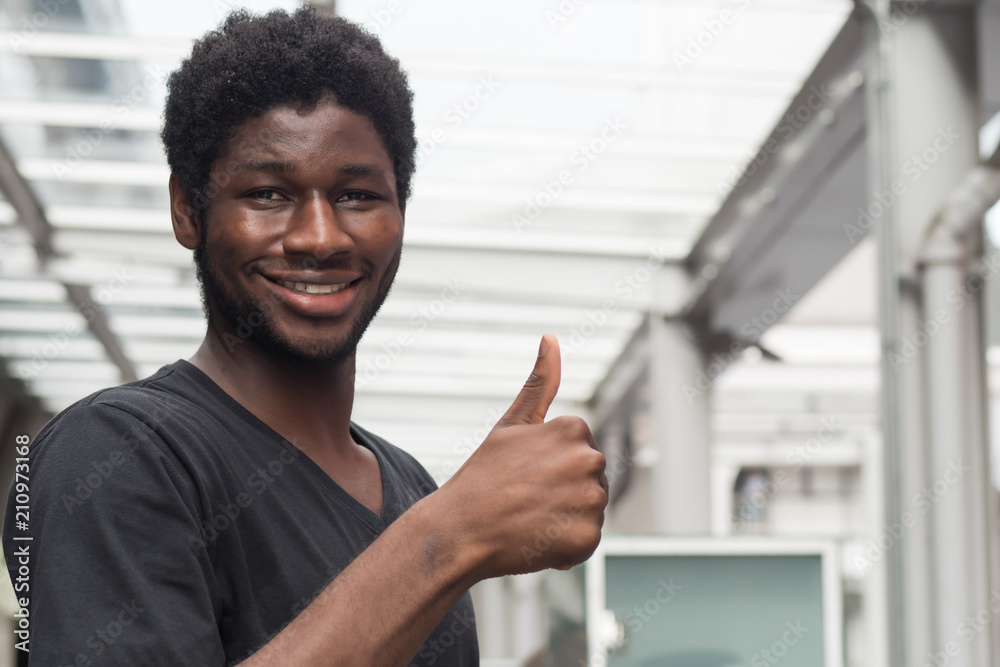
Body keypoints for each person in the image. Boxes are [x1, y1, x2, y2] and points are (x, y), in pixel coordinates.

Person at [2, 6, 608, 666]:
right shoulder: (116, 451)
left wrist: (451, 524)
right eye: (268, 194)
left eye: (356, 196)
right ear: (187, 209)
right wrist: (452, 536)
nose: (320, 237)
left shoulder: (412, 487)